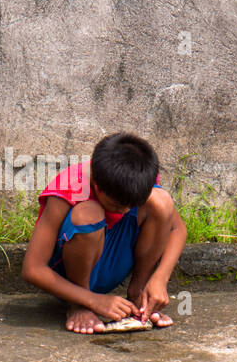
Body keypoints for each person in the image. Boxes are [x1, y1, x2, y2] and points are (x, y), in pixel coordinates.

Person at [20, 132, 187, 334]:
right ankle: (79, 305)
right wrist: (92, 300)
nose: (126, 211)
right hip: (70, 275)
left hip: (115, 259)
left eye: (132, 205)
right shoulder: (71, 185)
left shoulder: (138, 178)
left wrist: (160, 279)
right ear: (97, 187)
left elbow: (177, 229)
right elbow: (32, 269)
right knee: (88, 213)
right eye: (117, 205)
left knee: (161, 201)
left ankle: (139, 296)